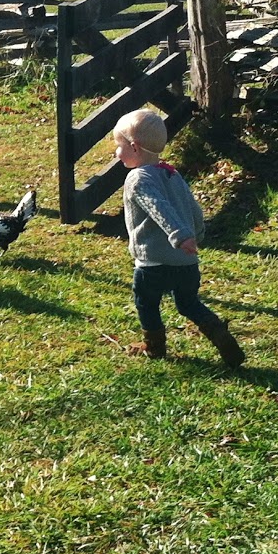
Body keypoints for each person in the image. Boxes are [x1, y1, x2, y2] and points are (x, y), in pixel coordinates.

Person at [113, 108, 245, 367]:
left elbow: (158, 207)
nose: (116, 153)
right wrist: (196, 234)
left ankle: (154, 346)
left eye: (118, 146)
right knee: (189, 304)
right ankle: (221, 336)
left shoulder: (138, 178)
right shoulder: (171, 173)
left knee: (146, 302)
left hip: (154, 263)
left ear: (134, 147)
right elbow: (192, 205)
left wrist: (180, 235)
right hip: (187, 263)